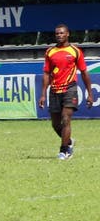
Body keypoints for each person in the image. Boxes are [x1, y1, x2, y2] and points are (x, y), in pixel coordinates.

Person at [39, 23, 94, 159]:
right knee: (55, 124)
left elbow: (84, 72)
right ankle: (69, 141)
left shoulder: (75, 51)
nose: (59, 35)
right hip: (54, 90)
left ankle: (64, 151)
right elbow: (46, 73)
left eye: (62, 33)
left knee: (65, 119)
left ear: (68, 34)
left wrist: (90, 94)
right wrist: (43, 94)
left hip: (70, 88)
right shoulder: (50, 52)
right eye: (57, 33)